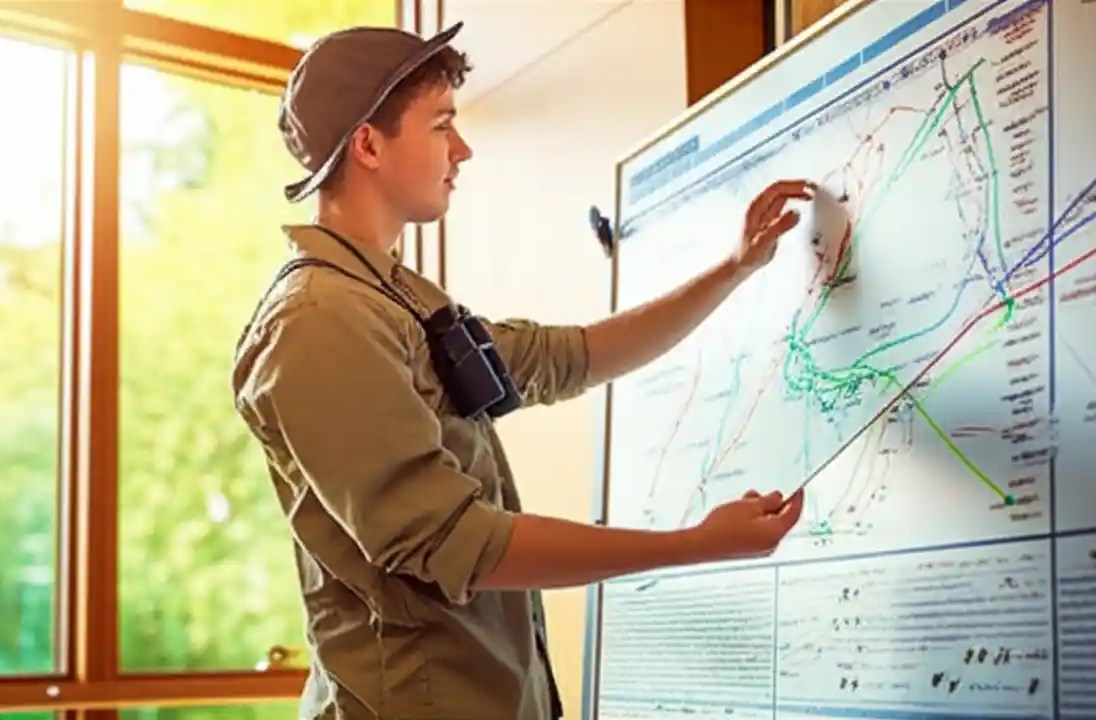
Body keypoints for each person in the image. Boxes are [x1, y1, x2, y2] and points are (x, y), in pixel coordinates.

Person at [231, 21, 811, 720]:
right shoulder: (318, 322)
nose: (463, 149)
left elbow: (572, 358)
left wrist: (735, 269)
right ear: (368, 144)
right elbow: (458, 544)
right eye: (442, 125)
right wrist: (694, 545)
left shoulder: (397, 301)